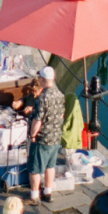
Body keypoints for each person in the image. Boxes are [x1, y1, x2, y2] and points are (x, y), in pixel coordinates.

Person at [25, 66, 65, 206]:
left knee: (35, 168)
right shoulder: (60, 94)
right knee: (50, 166)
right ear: (53, 78)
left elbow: (38, 121)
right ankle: (48, 192)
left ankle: (34, 196)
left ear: (42, 79)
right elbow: (61, 115)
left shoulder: (42, 98)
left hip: (42, 138)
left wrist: (32, 135)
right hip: (55, 137)